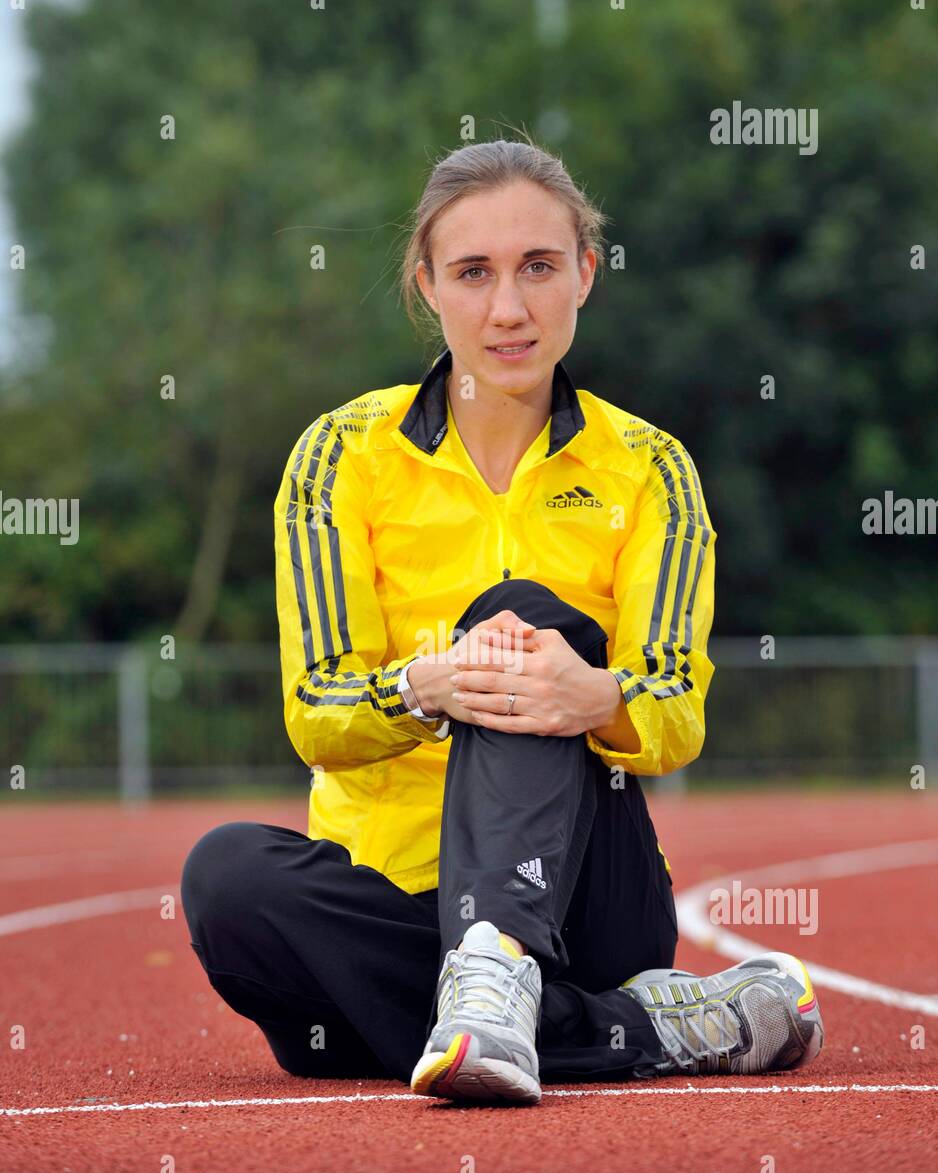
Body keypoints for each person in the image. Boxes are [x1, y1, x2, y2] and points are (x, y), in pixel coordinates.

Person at [181, 137, 824, 1106]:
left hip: (585, 905)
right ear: (425, 285)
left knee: (518, 614)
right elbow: (316, 711)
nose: (508, 309)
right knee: (226, 878)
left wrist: (598, 696)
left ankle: (498, 965)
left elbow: (674, 710)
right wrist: (420, 687)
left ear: (585, 276)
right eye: (473, 273)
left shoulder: (650, 470)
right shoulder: (340, 456)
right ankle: (639, 1025)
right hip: (389, 892)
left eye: (537, 267)